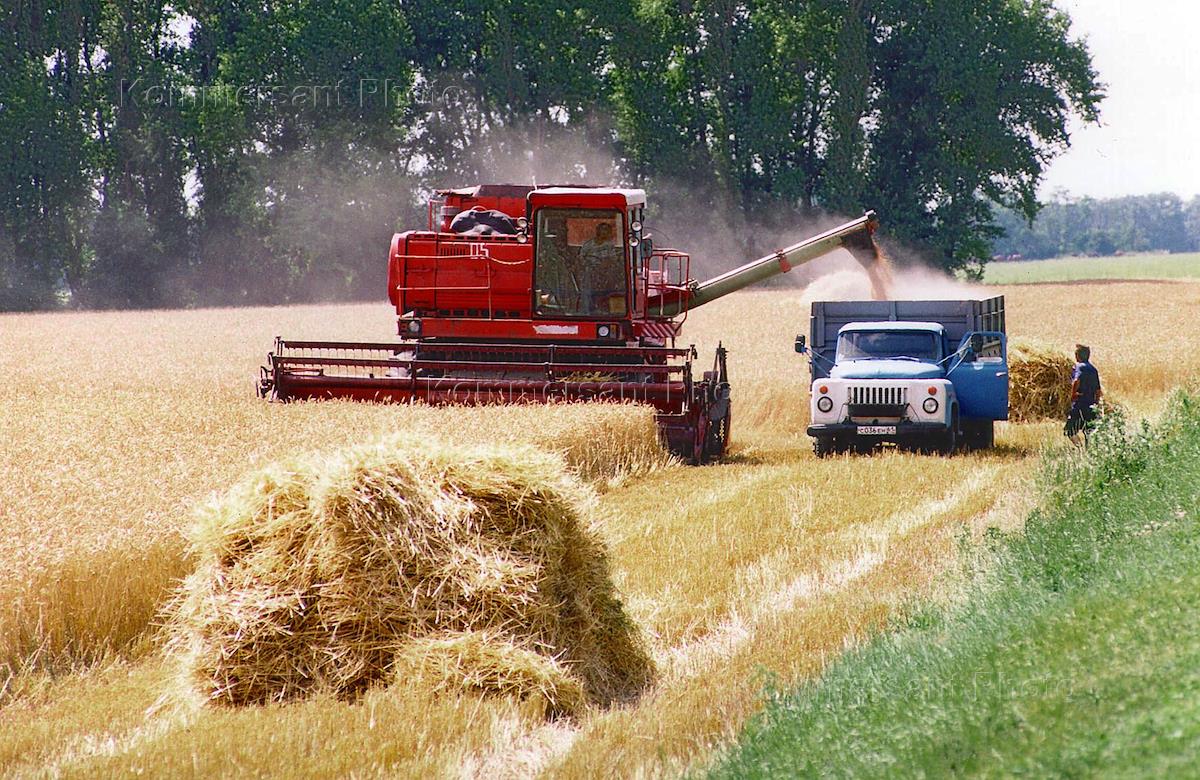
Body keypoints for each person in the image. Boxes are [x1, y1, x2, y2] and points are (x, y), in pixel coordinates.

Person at [577, 222, 626, 314]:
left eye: (607, 231)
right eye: (603, 230)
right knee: (587, 288)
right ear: (598, 231)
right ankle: (587, 309)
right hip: (590, 271)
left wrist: (604, 265)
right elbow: (581, 259)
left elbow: (612, 259)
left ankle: (604, 307)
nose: (605, 233)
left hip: (605, 272)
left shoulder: (609, 245)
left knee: (609, 286)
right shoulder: (588, 244)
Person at [1065, 344, 1102, 444]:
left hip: (1079, 404)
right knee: (1089, 433)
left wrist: (1073, 395)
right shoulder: (1094, 369)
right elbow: (1098, 390)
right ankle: (1088, 452)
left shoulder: (1079, 367)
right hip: (1091, 406)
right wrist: (1096, 403)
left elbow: (1077, 380)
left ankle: (1079, 449)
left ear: (1077, 356)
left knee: (1069, 431)